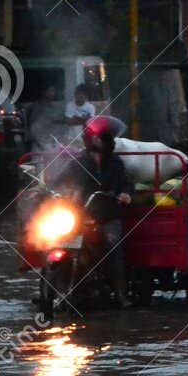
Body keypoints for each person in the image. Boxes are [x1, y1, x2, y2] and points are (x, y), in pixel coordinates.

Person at [49, 115, 134, 306]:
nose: (109, 142)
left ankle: (121, 294)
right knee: (57, 242)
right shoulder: (77, 163)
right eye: (105, 138)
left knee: (113, 244)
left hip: (107, 215)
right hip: (78, 217)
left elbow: (126, 184)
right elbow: (58, 182)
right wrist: (52, 192)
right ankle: (59, 290)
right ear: (93, 140)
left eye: (109, 139)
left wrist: (126, 195)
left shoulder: (116, 163)